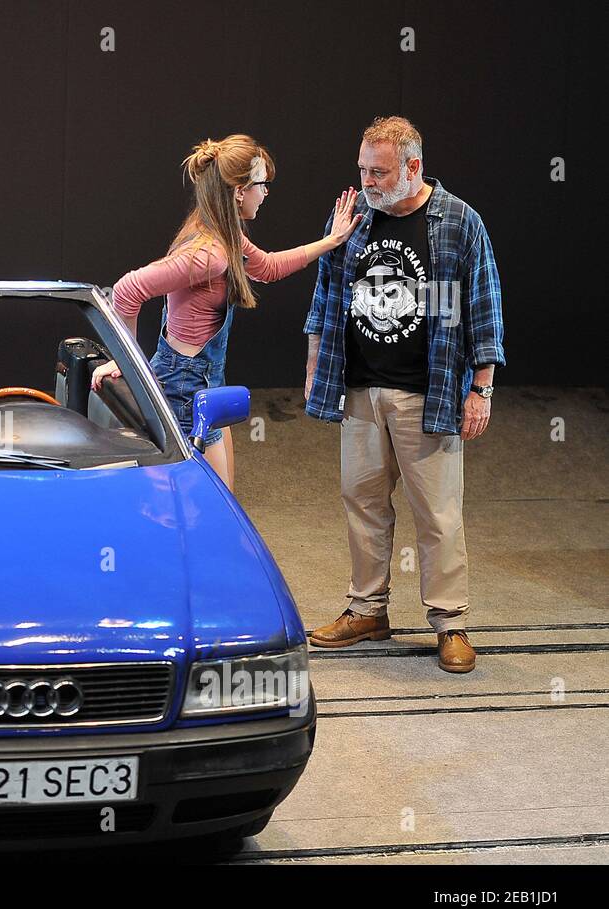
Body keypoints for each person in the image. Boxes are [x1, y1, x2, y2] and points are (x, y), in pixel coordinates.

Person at [302, 116, 505, 674]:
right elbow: (326, 295)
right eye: (363, 169)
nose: (367, 180)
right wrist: (316, 363)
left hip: (427, 393)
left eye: (380, 171)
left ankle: (449, 621)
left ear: (413, 167)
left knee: (438, 514)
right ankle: (367, 609)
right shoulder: (356, 216)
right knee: (362, 501)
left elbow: (481, 311)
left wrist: (480, 388)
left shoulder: (455, 222)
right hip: (361, 389)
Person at [94, 134, 361, 491]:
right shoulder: (211, 253)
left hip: (203, 381)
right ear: (240, 191)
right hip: (185, 385)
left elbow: (267, 267)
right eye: (262, 185)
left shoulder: (224, 233)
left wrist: (331, 241)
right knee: (201, 507)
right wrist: (127, 360)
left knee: (220, 502)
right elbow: (127, 289)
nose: (265, 193)